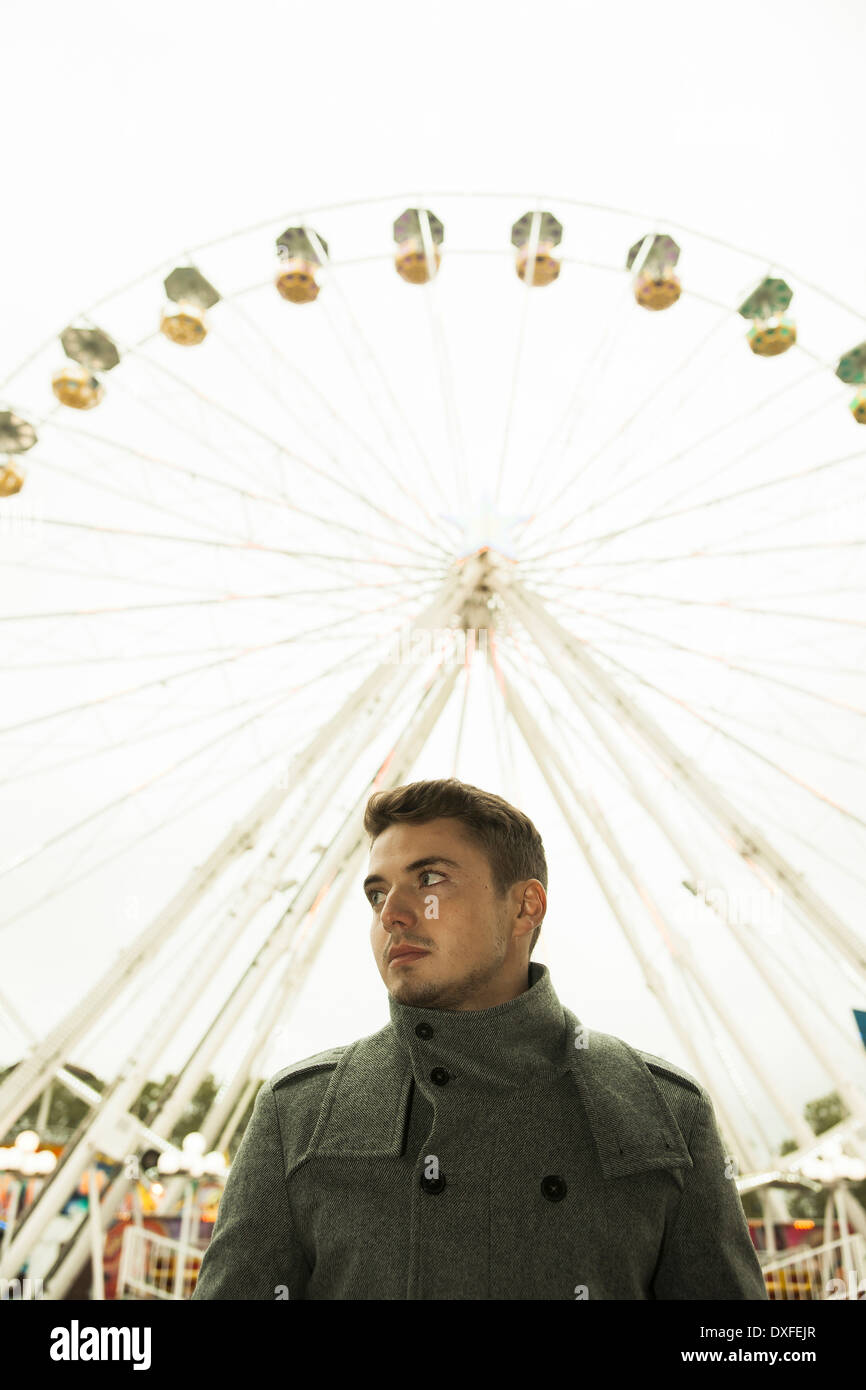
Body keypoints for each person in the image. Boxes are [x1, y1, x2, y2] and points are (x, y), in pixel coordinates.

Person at [192, 777, 768, 1300]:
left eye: (430, 879)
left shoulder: (664, 1113)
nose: (391, 913)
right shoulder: (297, 1114)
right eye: (375, 894)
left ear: (525, 906)